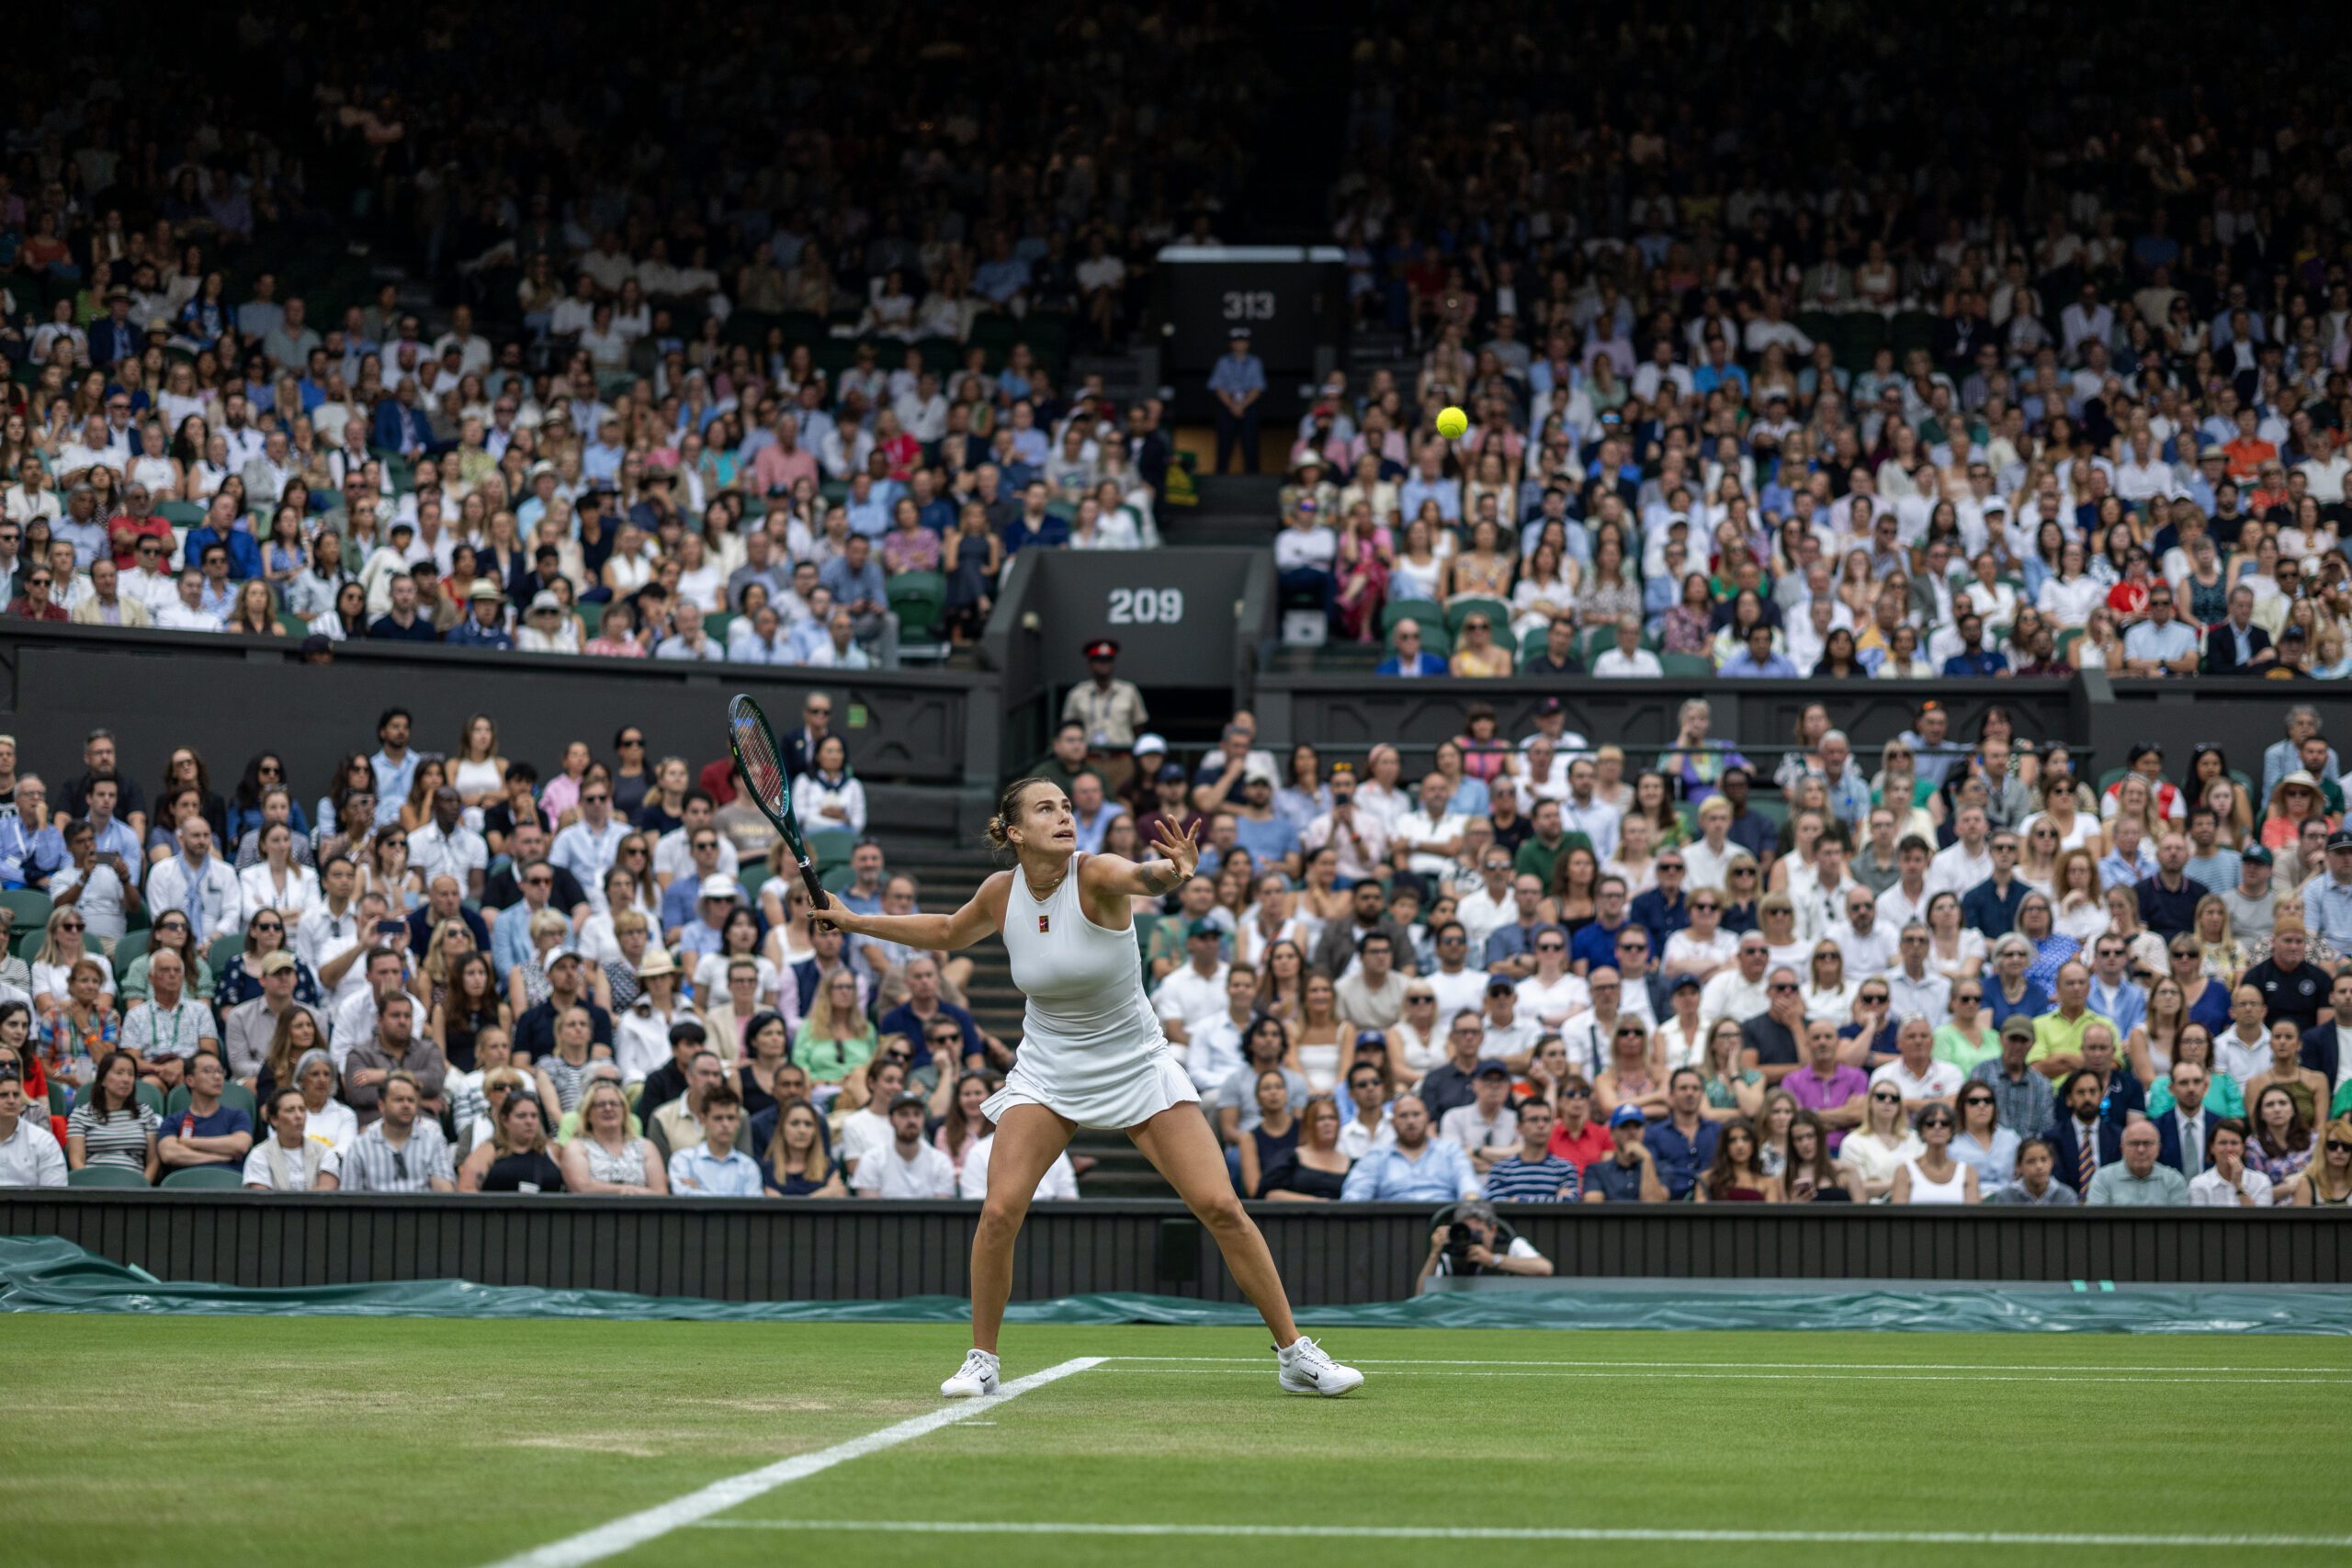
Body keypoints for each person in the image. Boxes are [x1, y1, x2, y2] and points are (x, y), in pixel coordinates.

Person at [816, 778, 1362, 1398]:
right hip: (1048, 1067)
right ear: (1015, 830)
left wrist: (1174, 870)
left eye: (1068, 807)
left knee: (1220, 1206)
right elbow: (945, 930)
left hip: (1135, 1062)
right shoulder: (1001, 892)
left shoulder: (1096, 872)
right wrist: (854, 919)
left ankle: (1295, 1352)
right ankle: (982, 1358)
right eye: (1046, 808)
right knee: (998, 1211)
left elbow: (1145, 876)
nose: (1064, 816)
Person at [337, 1072, 456, 1192]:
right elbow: (350, 1200)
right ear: (381, 1105)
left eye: (411, 1100)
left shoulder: (434, 1141)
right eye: (399, 1100)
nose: (406, 1105)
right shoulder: (359, 1146)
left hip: (421, 1210)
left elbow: (444, 1194)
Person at [1418, 1199, 1554, 1283]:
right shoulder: (1450, 1253)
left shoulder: (1512, 1245)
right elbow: (1421, 1293)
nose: (1472, 1239)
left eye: (1478, 1233)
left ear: (1493, 1230)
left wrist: (1493, 1260)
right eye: (1467, 1233)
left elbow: (1545, 1268)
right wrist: (1434, 1254)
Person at [667, 1086, 763, 1197]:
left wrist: (698, 1191)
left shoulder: (749, 1166)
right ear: (703, 1119)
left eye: (731, 1118)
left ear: (738, 1121)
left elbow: (753, 1208)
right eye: (718, 1118)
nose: (725, 1124)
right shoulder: (683, 1159)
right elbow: (683, 1196)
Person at [241, 1087, 340, 1191]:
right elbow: (262, 1201)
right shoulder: (259, 1155)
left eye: (302, 1109)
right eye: (290, 1110)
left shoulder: (324, 1152)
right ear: (274, 1119)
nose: (298, 1116)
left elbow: (327, 1194)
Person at [2085, 1118, 2190, 1204]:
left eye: (2147, 1143)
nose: (2141, 1150)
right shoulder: (2103, 1179)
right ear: (2122, 1149)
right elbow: (2097, 1225)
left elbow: (2179, 1225)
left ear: (2158, 1149)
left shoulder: (2174, 1180)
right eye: (2134, 1143)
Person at [1580, 1103, 1669, 1201]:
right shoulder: (1596, 1171)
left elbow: (1654, 1208)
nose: (1632, 1132)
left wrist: (1646, 1159)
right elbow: (1593, 1209)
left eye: (1637, 1126)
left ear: (1644, 1131)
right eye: (1625, 1127)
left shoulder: (1662, 1169)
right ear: (1611, 1134)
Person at [0, 1067, 66, 1187]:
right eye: (3, 1095)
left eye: (16, 1095)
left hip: (29, 1205)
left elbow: (55, 1196)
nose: (11, 1101)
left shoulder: (44, 1141)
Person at [2188, 1118, 2273, 1207]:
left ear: (2243, 1147)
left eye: (2234, 1143)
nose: (2229, 1149)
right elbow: (2199, 1220)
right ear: (2212, 1147)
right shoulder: (2199, 1184)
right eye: (2223, 1143)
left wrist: (2239, 1187)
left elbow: (2259, 1219)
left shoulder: (2261, 1182)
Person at [1983, 1137, 2079, 1206]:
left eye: (2044, 1160)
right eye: (2031, 1161)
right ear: (2019, 1166)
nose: (2039, 1166)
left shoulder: (2066, 1196)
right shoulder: (2006, 1196)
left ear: (2052, 1162)